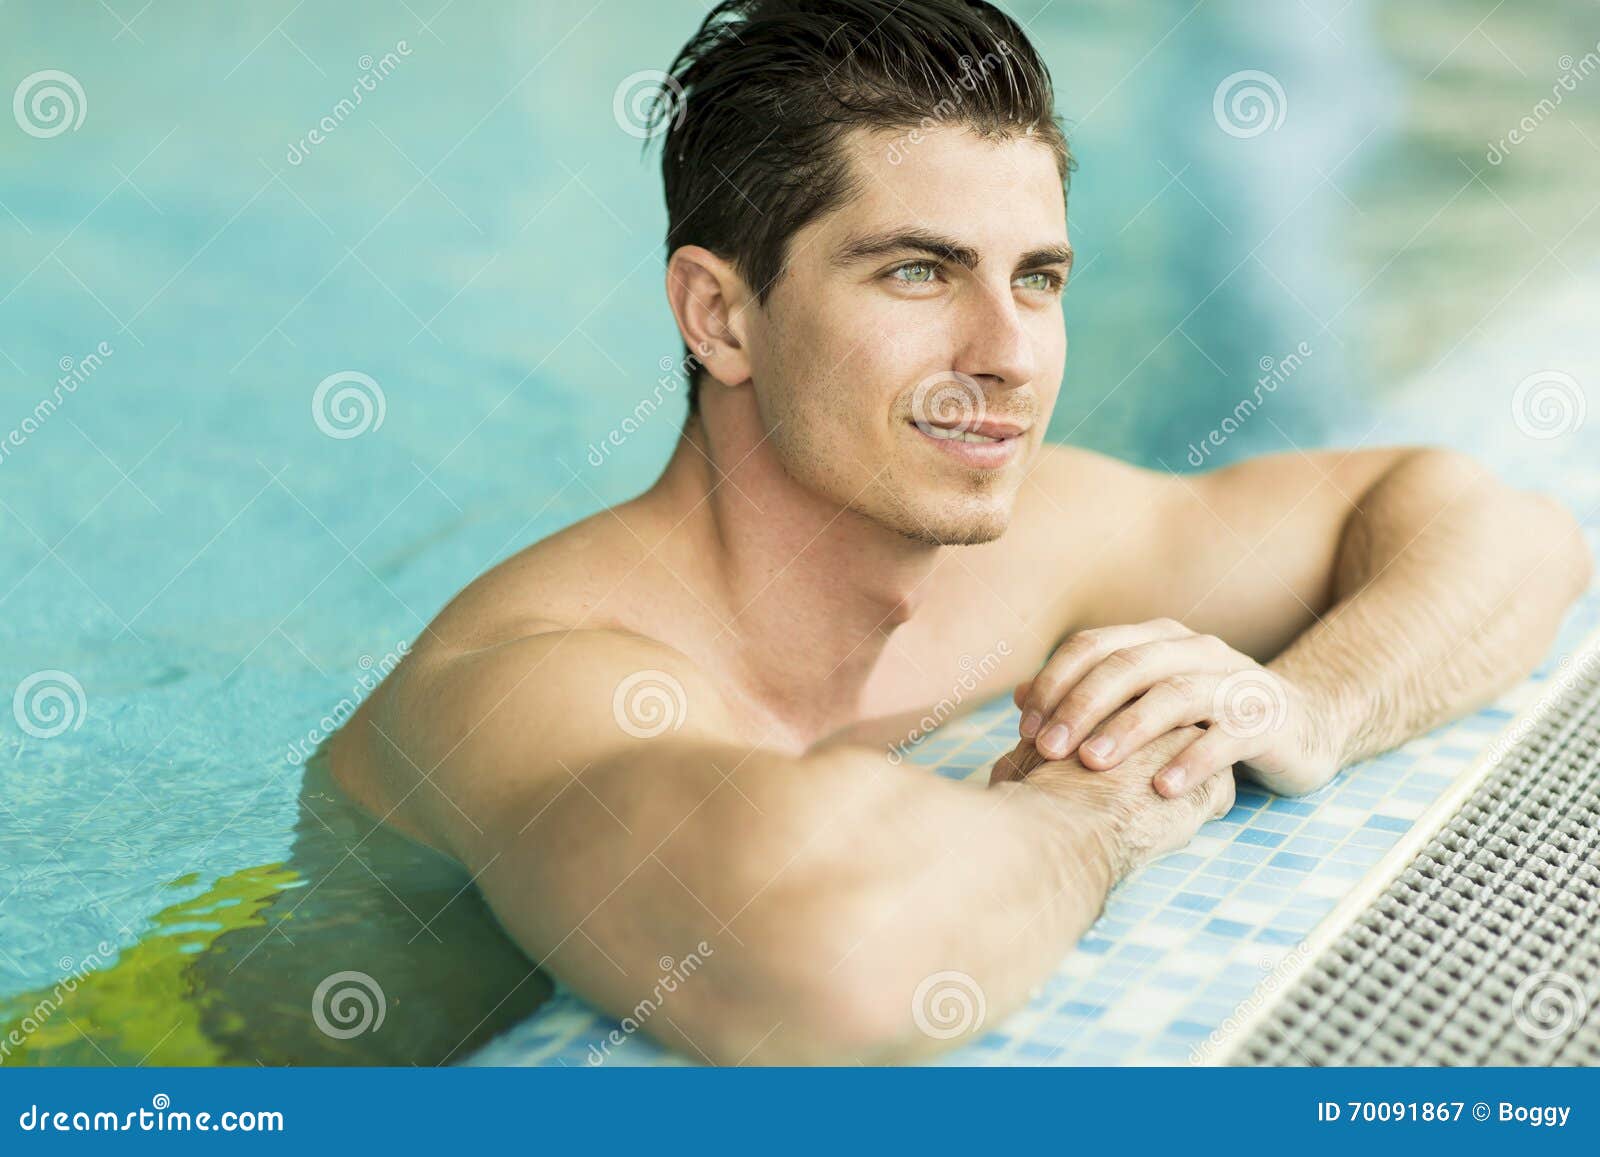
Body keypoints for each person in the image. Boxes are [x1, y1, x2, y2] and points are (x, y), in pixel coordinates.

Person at [327, 0, 1591, 1064]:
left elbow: (1504, 529)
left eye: (1035, 277)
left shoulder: (1035, 546)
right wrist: (1099, 816)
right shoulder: (543, 681)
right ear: (718, 316)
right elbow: (832, 956)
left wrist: (1310, 709)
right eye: (917, 272)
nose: (1007, 357)